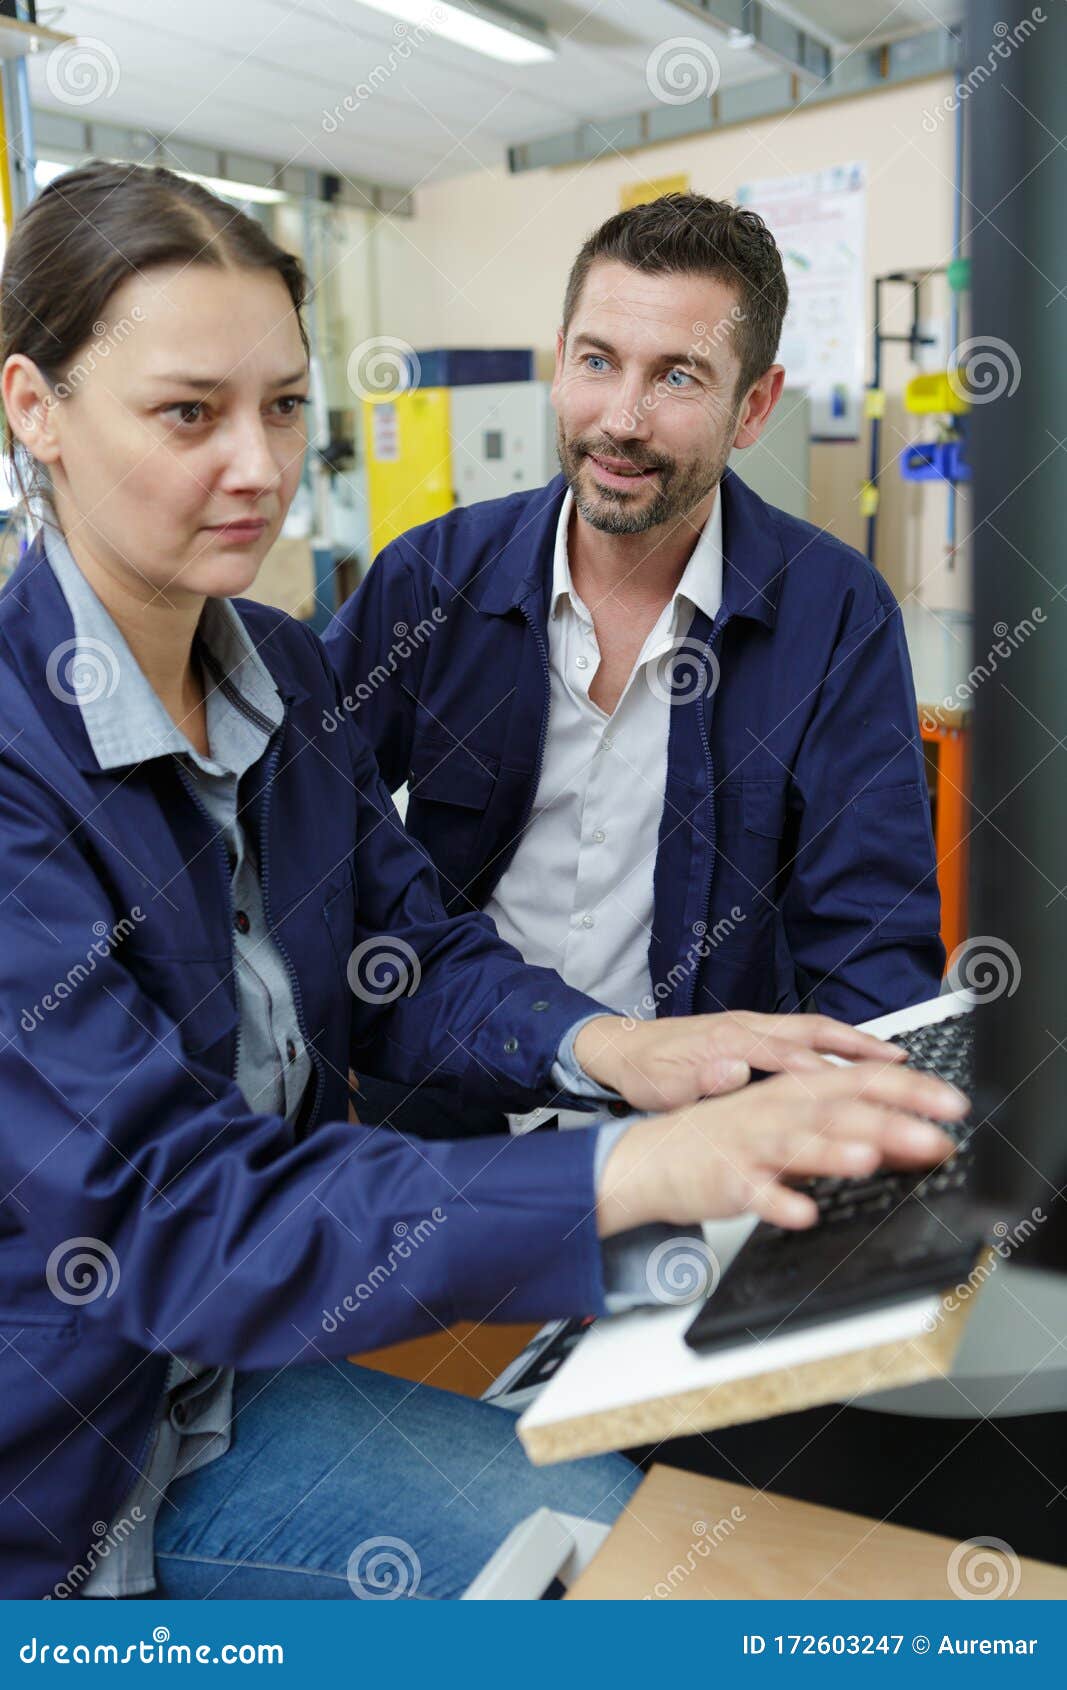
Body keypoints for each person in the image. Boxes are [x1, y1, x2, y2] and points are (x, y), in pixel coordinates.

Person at [0, 162, 965, 1600]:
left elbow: (407, 948)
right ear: (35, 411)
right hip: (81, 1459)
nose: (260, 467)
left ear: (750, 405)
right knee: (607, 1585)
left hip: (254, 1355)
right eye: (188, 413)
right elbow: (171, 1210)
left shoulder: (278, 678)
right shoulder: (29, 757)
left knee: (630, 1528)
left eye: (282, 405)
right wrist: (618, 1169)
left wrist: (612, 1048)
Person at [325, 192, 944, 1139]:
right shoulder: (432, 580)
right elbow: (308, 830)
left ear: (754, 406)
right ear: (561, 358)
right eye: (597, 361)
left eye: (678, 378)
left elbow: (866, 945)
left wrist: (845, 1154)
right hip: (451, 1124)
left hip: (700, 1139)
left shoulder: (834, 615)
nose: (621, 419)